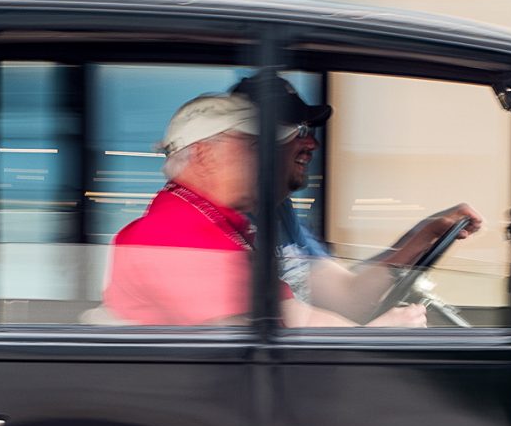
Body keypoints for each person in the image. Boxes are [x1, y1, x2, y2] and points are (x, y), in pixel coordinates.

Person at [103, 77, 479, 328]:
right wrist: (377, 334)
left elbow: (328, 305)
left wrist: (423, 235)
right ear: (204, 155)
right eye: (254, 144)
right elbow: (281, 332)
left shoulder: (233, 223)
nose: (262, 156)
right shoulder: (174, 234)